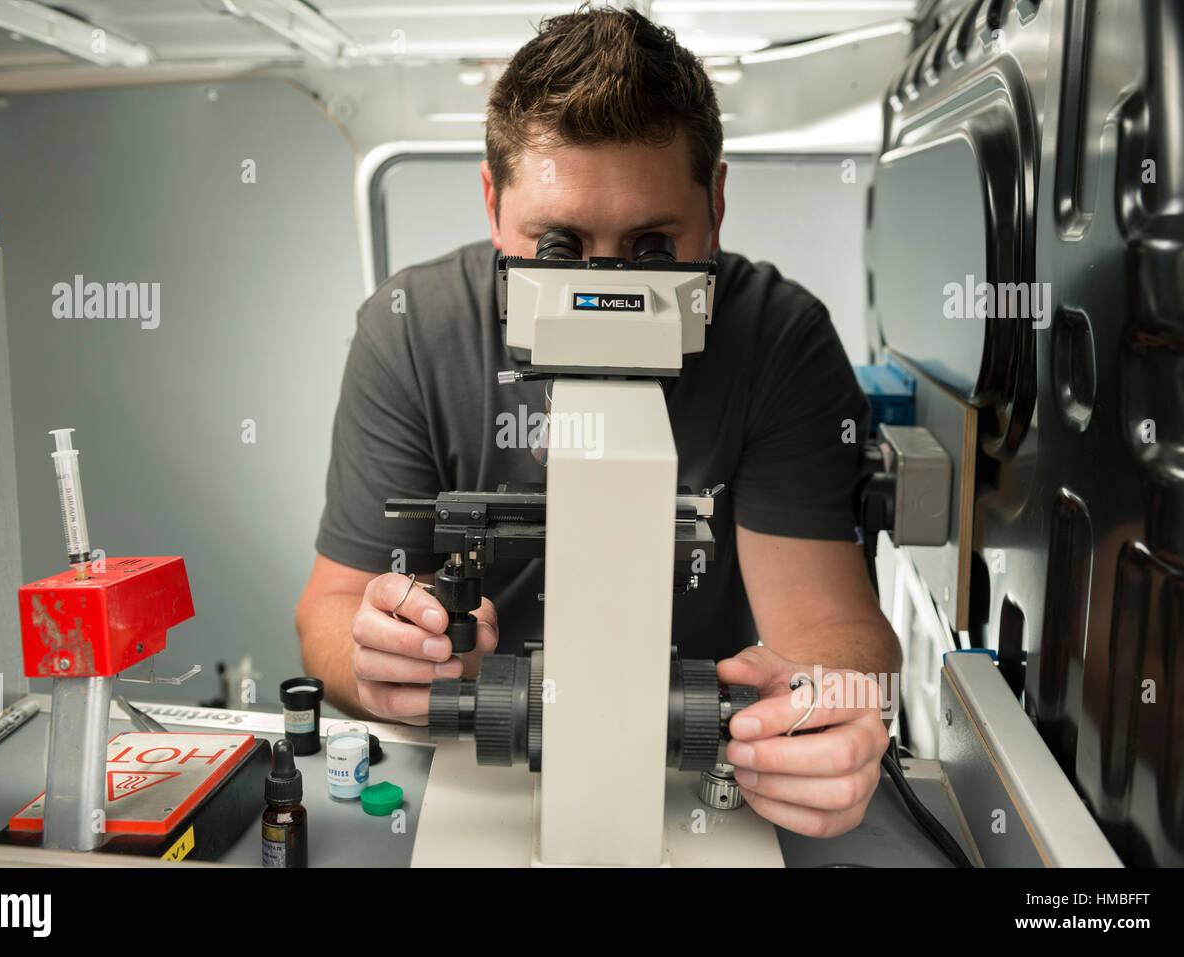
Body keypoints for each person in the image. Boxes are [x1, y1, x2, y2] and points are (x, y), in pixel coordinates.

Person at [296, 5, 901, 838]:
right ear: (491, 200)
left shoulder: (777, 338)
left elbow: (830, 625)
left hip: (685, 769)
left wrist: (826, 714)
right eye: (559, 247)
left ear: (716, 200)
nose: (606, 286)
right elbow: (328, 608)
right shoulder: (410, 328)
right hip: (477, 759)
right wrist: (393, 659)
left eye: (654, 245)